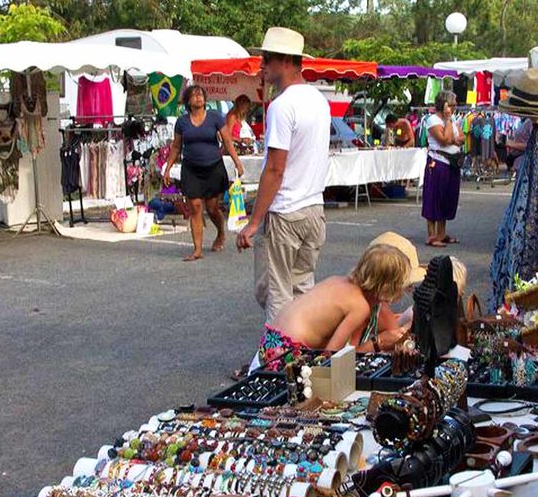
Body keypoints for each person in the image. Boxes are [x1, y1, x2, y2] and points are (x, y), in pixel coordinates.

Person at [236, 27, 330, 323]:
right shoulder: (319, 101)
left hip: (286, 211)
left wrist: (253, 222)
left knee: (277, 294)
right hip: (314, 208)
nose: (261, 66)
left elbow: (276, 169)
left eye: (267, 59)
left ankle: (274, 362)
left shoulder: (282, 106)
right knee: (302, 289)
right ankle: (302, 360)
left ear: (286, 61)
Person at [258, 244, 410, 370]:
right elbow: (332, 357)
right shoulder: (359, 306)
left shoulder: (337, 281)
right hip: (287, 352)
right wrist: (377, 343)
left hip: (269, 341)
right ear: (387, 286)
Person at [163, 84, 244, 261]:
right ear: (188, 101)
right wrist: (168, 168)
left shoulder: (215, 117)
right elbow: (176, 146)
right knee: (195, 207)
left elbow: (228, 141)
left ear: (205, 99)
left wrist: (237, 162)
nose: (198, 97)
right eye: (194, 95)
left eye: (201, 95)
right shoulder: (182, 122)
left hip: (213, 167)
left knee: (213, 208)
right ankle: (197, 250)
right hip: (191, 168)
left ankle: (220, 232)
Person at [422, 91, 465, 248]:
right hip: (438, 162)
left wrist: (452, 135)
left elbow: (461, 137)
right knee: (434, 197)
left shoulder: (452, 119)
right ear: (444, 105)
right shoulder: (433, 120)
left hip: (451, 163)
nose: (454, 108)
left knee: (448, 197)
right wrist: (447, 121)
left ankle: (441, 233)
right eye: (451, 105)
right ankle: (432, 235)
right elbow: (444, 140)